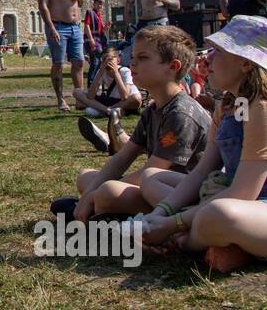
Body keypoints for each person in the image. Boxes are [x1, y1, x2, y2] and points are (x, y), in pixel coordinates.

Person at [139, 16, 267, 273]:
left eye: (219, 51)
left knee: (220, 215)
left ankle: (187, 243)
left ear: (246, 63)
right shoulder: (228, 105)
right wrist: (162, 212)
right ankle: (222, 240)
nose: (208, 59)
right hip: (248, 199)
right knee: (152, 177)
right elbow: (201, 171)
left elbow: (242, 193)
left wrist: (172, 224)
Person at [51, 25, 210, 222]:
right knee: (86, 178)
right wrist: (90, 194)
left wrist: (96, 193)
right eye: (133, 57)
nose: (132, 63)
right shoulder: (154, 109)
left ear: (173, 66)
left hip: (181, 194)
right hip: (154, 187)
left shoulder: (181, 113)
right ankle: (97, 209)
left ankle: (103, 212)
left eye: (143, 58)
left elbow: (152, 171)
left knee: (108, 191)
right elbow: (123, 157)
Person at [37, 0, 85, 110]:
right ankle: (60, 99)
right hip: (58, 26)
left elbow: (81, 4)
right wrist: (51, 28)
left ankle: (79, 98)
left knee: (78, 62)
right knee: (58, 63)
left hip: (75, 27)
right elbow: (43, 6)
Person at [74, 46, 142, 153]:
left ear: (118, 59)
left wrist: (116, 74)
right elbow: (91, 96)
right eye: (104, 59)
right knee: (77, 92)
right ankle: (109, 112)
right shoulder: (102, 71)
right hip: (110, 103)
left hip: (124, 102)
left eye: (110, 59)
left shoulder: (124, 71)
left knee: (136, 98)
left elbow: (125, 96)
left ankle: (109, 112)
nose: (107, 62)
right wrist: (100, 73)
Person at [83, 0, 108, 85]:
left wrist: (106, 28)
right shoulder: (90, 13)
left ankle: (94, 83)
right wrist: (91, 40)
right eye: (98, 4)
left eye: (101, 4)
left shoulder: (99, 16)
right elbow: (87, 26)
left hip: (98, 41)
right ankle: (92, 83)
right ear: (94, 4)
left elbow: (101, 32)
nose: (100, 6)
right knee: (99, 59)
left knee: (96, 61)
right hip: (92, 41)